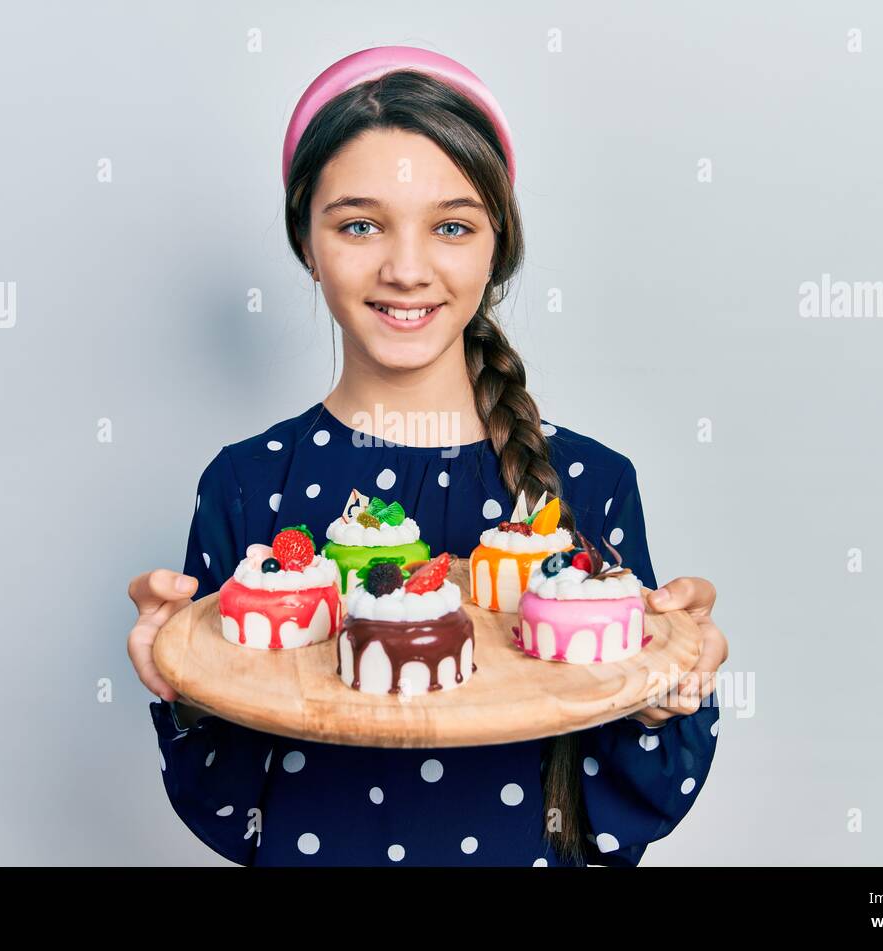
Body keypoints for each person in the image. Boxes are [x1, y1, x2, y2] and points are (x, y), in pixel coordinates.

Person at [126, 47, 729, 866]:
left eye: (451, 225)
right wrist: (182, 682)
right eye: (359, 224)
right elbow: (227, 808)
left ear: (496, 247)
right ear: (307, 240)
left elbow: (627, 812)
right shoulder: (248, 483)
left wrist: (673, 694)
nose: (407, 270)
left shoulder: (592, 484)